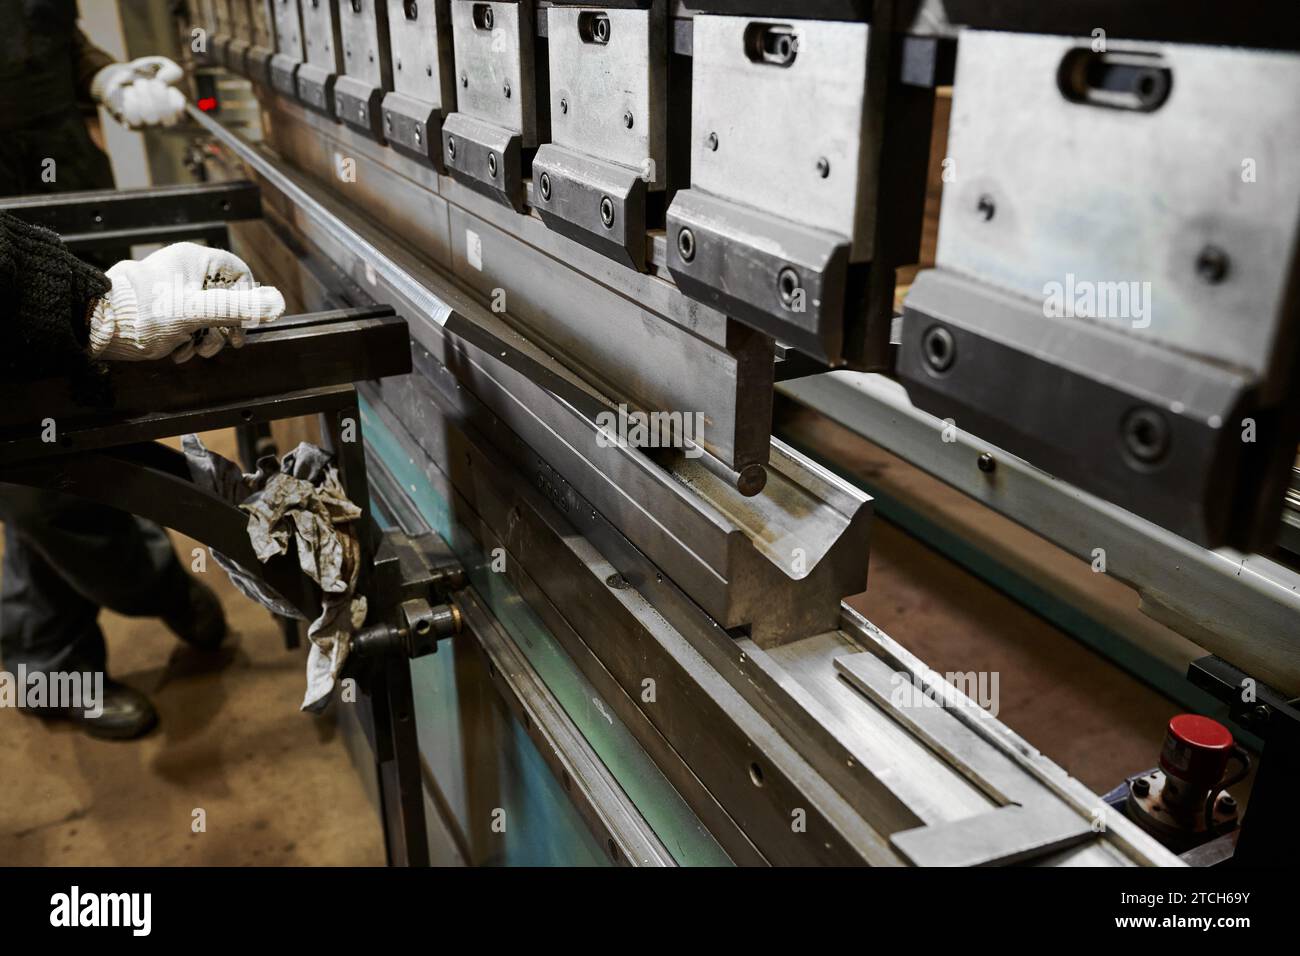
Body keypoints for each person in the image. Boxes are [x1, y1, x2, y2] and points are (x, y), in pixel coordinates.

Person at [0, 3, 282, 740]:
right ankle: (152, 585)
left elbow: (45, 30)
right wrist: (88, 309)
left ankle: (45, 656)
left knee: (88, 428)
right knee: (40, 483)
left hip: (56, 195)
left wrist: (107, 80)